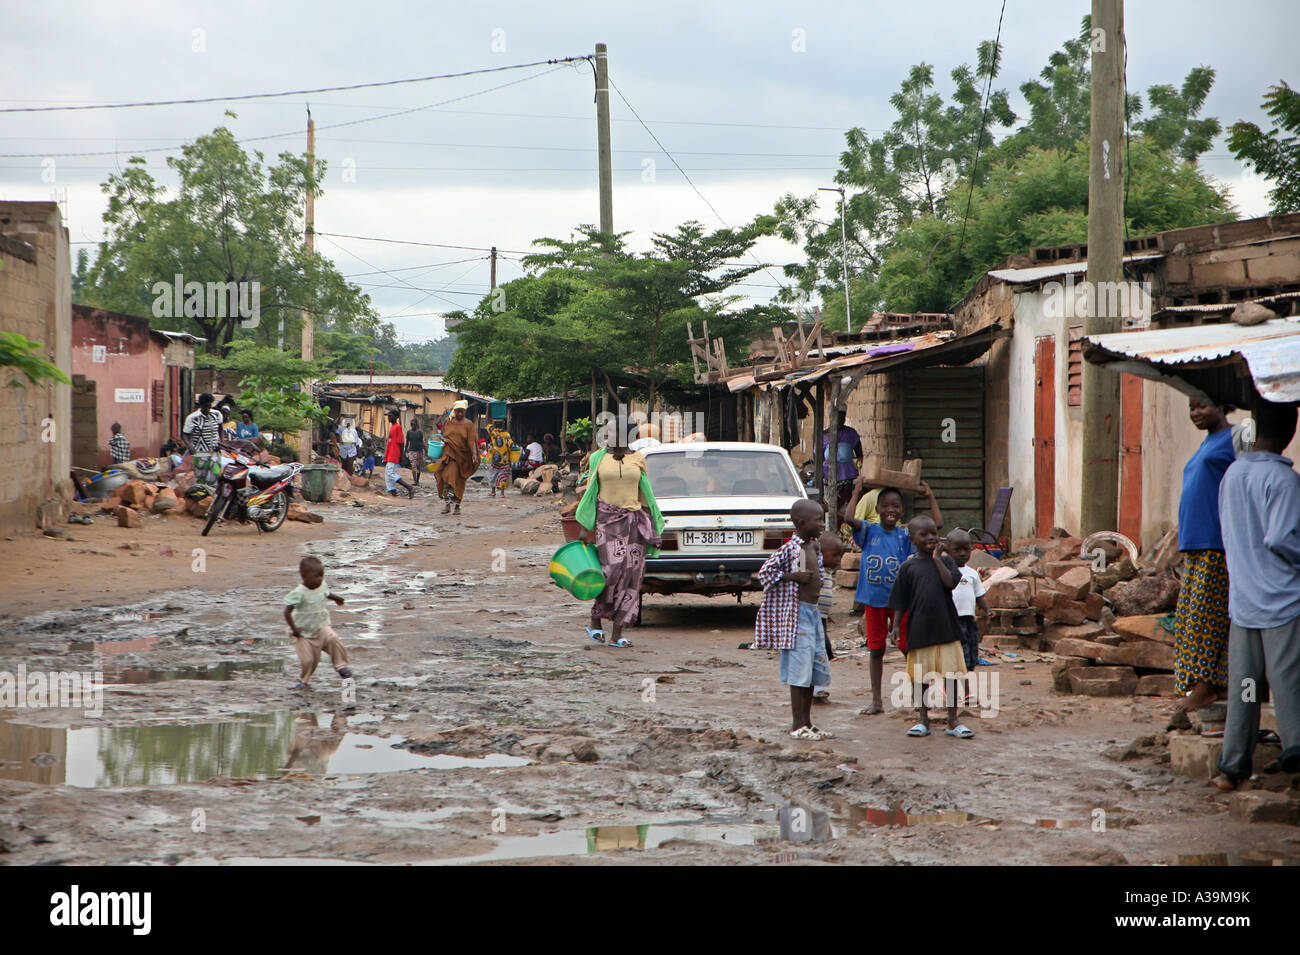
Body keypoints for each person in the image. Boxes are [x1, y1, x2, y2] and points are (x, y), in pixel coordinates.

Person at [1212, 400, 1300, 791]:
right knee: (1287, 682)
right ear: (1289, 434)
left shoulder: (1232, 474)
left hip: (1244, 600)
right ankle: (1295, 752)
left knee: (1245, 688)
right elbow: (1281, 537)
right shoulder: (1284, 481)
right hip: (1282, 599)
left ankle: (1232, 767)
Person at [844, 476, 943, 715]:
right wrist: (857, 489)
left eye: (896, 506)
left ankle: (920, 697)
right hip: (874, 602)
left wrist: (929, 495)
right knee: (876, 651)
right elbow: (848, 519)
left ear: (902, 511)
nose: (890, 510)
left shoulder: (905, 536)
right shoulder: (868, 531)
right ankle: (876, 701)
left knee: (909, 648)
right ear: (876, 509)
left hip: (901, 602)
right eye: (885, 506)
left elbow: (936, 525)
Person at [1171, 398, 1237, 713]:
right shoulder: (1208, 442)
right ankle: (1202, 685)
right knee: (1188, 616)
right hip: (1195, 543)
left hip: (1216, 541)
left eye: (1203, 407)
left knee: (1205, 617)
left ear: (1224, 406)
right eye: (1191, 408)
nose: (1196, 413)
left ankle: (1204, 687)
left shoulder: (1238, 436)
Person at [754, 499, 833, 740]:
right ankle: (797, 724)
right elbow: (764, 573)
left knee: (811, 670)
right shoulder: (791, 548)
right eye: (817, 520)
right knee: (799, 672)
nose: (822, 524)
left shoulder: (813, 546)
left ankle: (807, 723)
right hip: (796, 616)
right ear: (801, 523)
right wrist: (792, 576)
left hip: (812, 613)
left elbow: (817, 574)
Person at [889, 516, 972, 739]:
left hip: (947, 629)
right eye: (923, 534)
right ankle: (923, 719)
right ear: (912, 539)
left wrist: (937, 558)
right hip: (919, 630)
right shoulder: (908, 567)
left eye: (933, 533)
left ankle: (953, 720)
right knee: (920, 678)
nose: (930, 537)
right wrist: (895, 626)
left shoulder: (946, 562)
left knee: (952, 676)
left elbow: (950, 583)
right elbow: (900, 599)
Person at [576, 441, 663, 647]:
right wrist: (584, 527)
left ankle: (617, 633)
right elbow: (591, 492)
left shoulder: (638, 458)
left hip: (634, 521)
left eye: (614, 431)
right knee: (610, 572)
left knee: (631, 577)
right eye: (607, 432)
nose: (609, 436)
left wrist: (651, 524)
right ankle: (595, 619)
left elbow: (645, 491)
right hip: (607, 522)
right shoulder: (598, 457)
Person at [283, 555, 353, 691]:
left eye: (322, 576)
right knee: (309, 660)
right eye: (316, 576)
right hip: (303, 633)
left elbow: (326, 593)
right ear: (304, 576)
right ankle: (304, 680)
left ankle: (341, 667)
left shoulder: (321, 586)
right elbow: (287, 611)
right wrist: (294, 629)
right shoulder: (299, 593)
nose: (320, 579)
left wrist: (336, 598)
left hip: (321, 627)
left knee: (334, 640)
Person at [946, 528, 991, 704]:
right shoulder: (944, 571)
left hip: (968, 621)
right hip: (951, 621)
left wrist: (987, 610)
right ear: (947, 550)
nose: (963, 554)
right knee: (954, 658)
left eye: (967, 549)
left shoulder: (972, 574)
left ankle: (965, 692)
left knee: (969, 658)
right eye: (957, 550)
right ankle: (952, 689)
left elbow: (979, 595)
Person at [813, 531, 844, 703]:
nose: (838, 559)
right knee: (820, 648)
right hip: (814, 616)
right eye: (835, 555)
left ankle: (818, 686)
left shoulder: (827, 571)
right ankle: (816, 687)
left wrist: (827, 613)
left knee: (821, 649)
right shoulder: (816, 570)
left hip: (822, 616)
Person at [434, 400, 478, 514]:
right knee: (445, 478)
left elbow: (472, 440)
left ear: (464, 411)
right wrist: (445, 440)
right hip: (449, 456)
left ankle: (457, 506)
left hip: (462, 458)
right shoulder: (449, 422)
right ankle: (447, 505)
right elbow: (441, 434)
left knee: (459, 482)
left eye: (461, 412)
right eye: (457, 411)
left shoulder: (469, 424)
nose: (459, 414)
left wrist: (474, 454)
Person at [823, 410, 863, 510]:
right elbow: (818, 456)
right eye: (837, 418)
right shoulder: (824, 435)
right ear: (831, 418)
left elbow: (859, 455)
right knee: (831, 505)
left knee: (847, 505)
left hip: (848, 476)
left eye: (842, 418)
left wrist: (858, 470)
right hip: (829, 476)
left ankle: (846, 523)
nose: (840, 421)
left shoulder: (851, 433)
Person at [182, 393, 223, 487]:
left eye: (209, 406)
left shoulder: (217, 414)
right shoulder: (192, 418)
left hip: (215, 451)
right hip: (200, 452)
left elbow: (221, 429)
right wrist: (191, 447)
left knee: (215, 474)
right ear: (201, 405)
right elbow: (185, 435)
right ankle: (202, 497)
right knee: (201, 477)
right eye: (205, 406)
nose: (208, 409)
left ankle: (212, 496)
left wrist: (221, 442)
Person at [383, 410, 414, 499]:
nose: (389, 417)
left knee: (390, 473)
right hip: (390, 454)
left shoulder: (397, 427)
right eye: (388, 416)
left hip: (394, 453)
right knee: (387, 474)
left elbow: (401, 442)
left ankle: (409, 487)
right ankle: (393, 491)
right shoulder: (392, 427)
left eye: (390, 416)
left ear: (396, 417)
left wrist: (401, 455)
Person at [486, 420, 513, 498]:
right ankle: (502, 494)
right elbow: (510, 445)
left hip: (495, 460)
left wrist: (488, 408)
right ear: (503, 425)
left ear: (494, 425)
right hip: (505, 460)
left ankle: (493, 491)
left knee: (493, 475)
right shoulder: (507, 434)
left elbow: (487, 423)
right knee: (503, 477)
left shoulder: (493, 433)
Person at [406, 417, 425, 487]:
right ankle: (415, 481)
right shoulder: (409, 432)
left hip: (419, 451)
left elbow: (421, 441)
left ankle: (417, 481)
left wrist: (424, 449)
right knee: (413, 466)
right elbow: (407, 442)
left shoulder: (420, 432)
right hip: (411, 451)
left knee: (418, 467)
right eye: (411, 424)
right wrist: (405, 451)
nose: (412, 426)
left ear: (416, 425)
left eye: (413, 424)